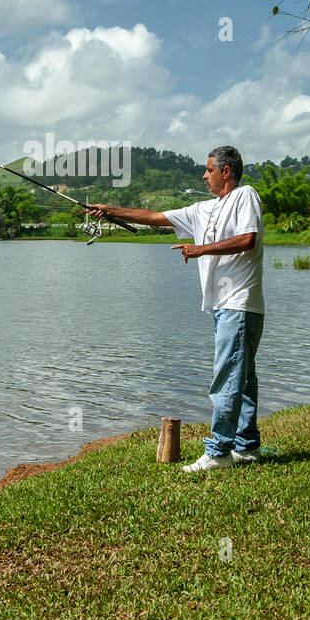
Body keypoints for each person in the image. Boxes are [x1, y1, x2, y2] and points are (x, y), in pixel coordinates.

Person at [87, 145, 264, 472]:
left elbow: (247, 239)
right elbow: (155, 218)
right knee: (244, 378)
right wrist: (110, 210)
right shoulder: (203, 209)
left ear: (226, 172)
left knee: (227, 378)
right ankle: (247, 446)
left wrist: (201, 249)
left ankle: (219, 451)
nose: (204, 175)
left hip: (240, 303)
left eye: (209, 170)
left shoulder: (245, 196)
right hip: (224, 307)